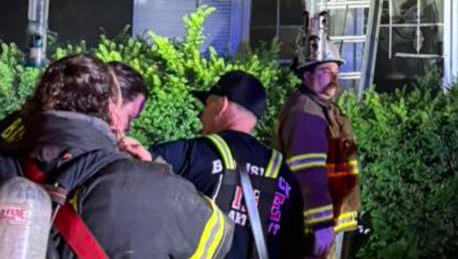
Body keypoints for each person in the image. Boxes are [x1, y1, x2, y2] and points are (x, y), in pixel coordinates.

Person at [0, 53, 232, 259]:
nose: (128, 127)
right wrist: (157, 170)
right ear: (112, 110)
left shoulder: (8, 158)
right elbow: (221, 234)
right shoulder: (151, 186)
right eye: (130, 118)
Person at [153, 71, 305, 259]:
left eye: (207, 104)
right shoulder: (285, 175)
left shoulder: (193, 154)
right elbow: (296, 247)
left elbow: (138, 169)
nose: (201, 115)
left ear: (221, 105)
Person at [276, 36, 360, 259]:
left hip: (318, 225)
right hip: (309, 231)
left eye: (336, 72)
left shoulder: (322, 108)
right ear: (306, 76)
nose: (334, 78)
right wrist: (321, 224)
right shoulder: (306, 114)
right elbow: (309, 174)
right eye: (325, 72)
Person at [0, 59, 149, 150]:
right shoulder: (85, 148)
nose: (128, 127)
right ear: (111, 102)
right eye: (130, 117)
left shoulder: (26, 119)